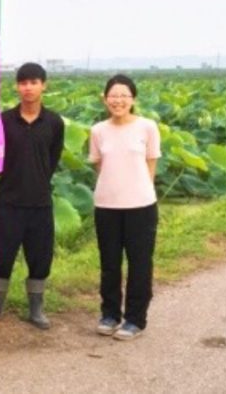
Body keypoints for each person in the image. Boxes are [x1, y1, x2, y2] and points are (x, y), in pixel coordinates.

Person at [0, 63, 65, 329]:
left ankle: (36, 309)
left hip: (40, 202)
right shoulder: (4, 120)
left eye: (34, 82)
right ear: (17, 86)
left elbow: (53, 158)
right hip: (8, 201)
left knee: (40, 256)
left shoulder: (54, 122)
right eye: (23, 83)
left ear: (44, 85)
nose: (28, 88)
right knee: (1, 255)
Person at [88, 74, 162, 341]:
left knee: (140, 263)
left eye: (124, 96)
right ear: (105, 98)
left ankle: (135, 319)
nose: (118, 100)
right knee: (109, 263)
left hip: (141, 205)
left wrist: (141, 189)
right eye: (113, 95)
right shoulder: (98, 130)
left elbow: (151, 163)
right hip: (106, 204)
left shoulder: (147, 127)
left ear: (133, 99)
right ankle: (110, 314)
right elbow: (99, 165)